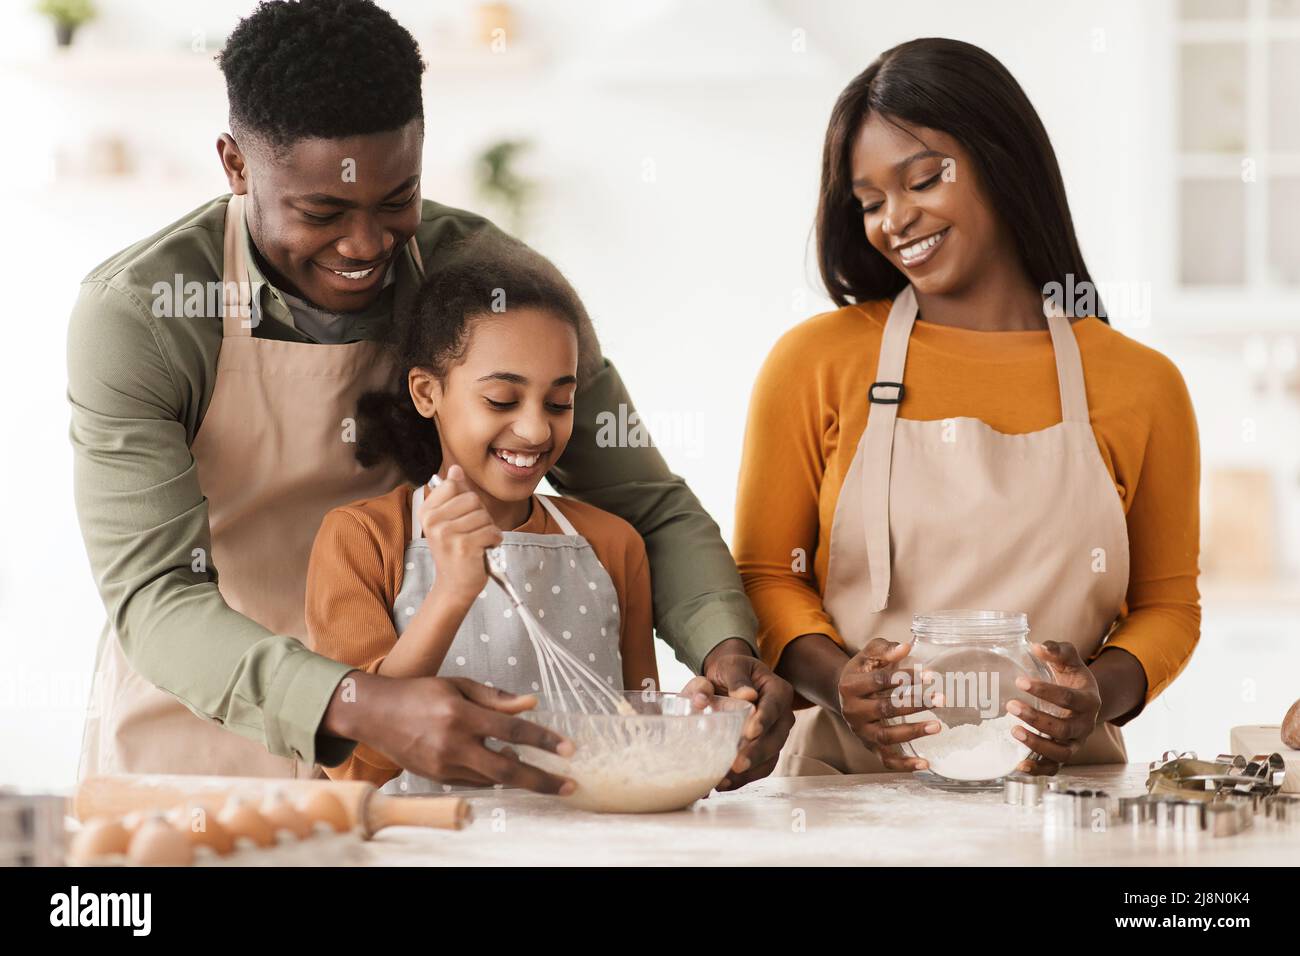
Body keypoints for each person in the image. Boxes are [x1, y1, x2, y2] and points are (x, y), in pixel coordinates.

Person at [69, 0, 792, 791]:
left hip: (419, 749)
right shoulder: (141, 313)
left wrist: (729, 658)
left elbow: (646, 505)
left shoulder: (486, 280)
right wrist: (356, 700)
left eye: (396, 200)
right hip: (199, 735)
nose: (366, 245)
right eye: (322, 211)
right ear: (236, 165)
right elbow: (157, 592)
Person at [733, 38, 1200, 776]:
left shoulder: (1141, 383)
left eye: (923, 180)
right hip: (847, 797)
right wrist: (836, 681)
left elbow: (1168, 606)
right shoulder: (816, 362)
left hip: (1067, 805)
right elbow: (765, 575)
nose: (895, 220)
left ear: (1002, 157)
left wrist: (1096, 700)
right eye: (870, 203)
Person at [305, 232, 658, 792]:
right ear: (426, 392)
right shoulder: (363, 539)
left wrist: (709, 712)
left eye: (559, 402)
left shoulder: (614, 545)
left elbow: (644, 741)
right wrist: (452, 591)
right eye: (501, 400)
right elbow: (357, 763)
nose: (537, 428)